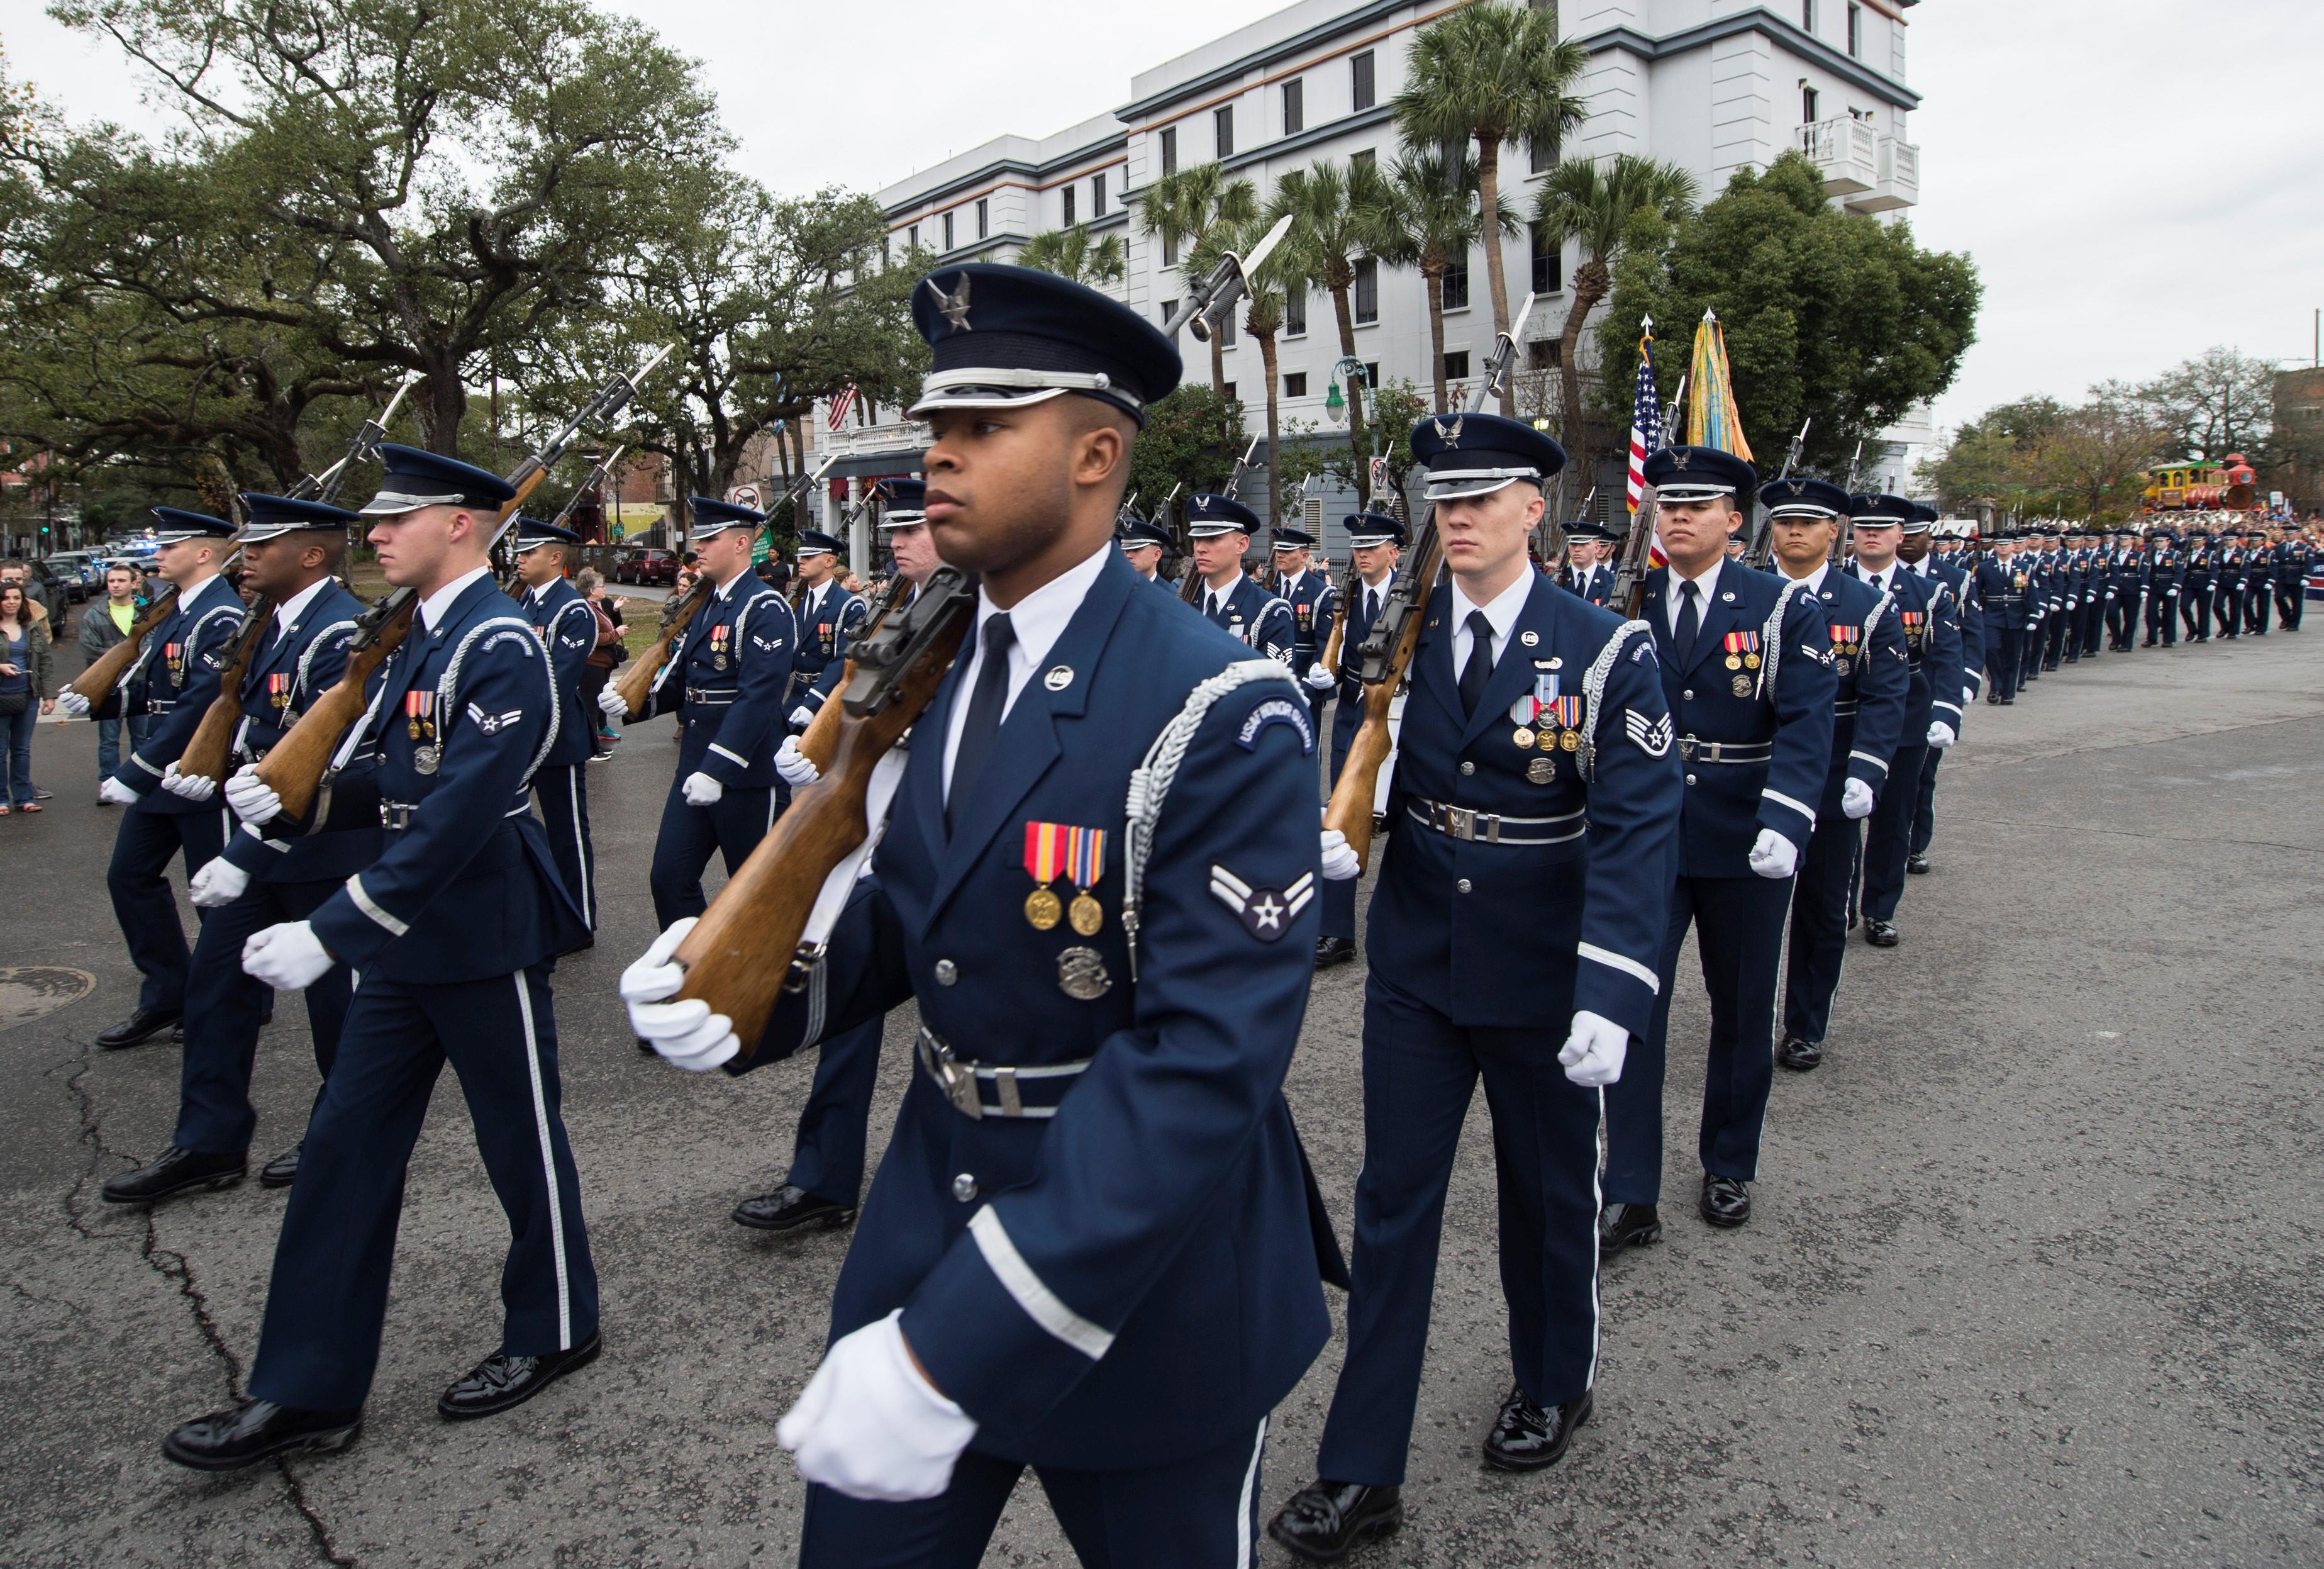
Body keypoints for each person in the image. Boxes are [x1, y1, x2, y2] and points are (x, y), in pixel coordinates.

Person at [623, 261, 1340, 1568]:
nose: (933, 460)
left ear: (1094, 455)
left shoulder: (1219, 706)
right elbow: (919, 920)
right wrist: (758, 990)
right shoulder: (934, 665)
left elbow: (1202, 1065)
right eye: (933, 427)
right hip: (924, 1206)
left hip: (1142, 1275)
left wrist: (948, 1347)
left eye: (980, 430)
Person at [1267, 415, 1681, 1561]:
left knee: (1547, 1192)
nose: (1457, 514)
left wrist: (1614, 984)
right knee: (1392, 1204)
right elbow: (1372, 755)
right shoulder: (1402, 626)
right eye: (1442, 496)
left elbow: (1642, 825)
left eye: (1482, 495)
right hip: (1415, 955)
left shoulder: (1604, 648)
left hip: (1546, 965)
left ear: (1533, 506)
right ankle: (1363, 1464)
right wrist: (1354, 816)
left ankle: (1556, 1376)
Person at [162, 443, 598, 1470]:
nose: (375, 533)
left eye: (397, 518)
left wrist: (334, 928)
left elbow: (458, 810)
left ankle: (558, 1322)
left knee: (519, 1145)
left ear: (460, 523)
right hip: (406, 938)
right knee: (344, 1150)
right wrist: (294, 802)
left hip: (482, 924)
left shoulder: (504, 640)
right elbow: (390, 771)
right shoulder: (415, 637)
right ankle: (306, 1386)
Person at [99, 492, 380, 1202]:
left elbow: (334, 756)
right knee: (215, 991)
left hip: (320, 852)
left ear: (311, 554)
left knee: (336, 1009)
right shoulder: (268, 624)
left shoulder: (340, 631)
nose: (244, 555)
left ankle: (337, 1132)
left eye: (262, 546)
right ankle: (208, 1141)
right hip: (255, 844)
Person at [1599, 445, 1835, 1250]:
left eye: (1695, 507)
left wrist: (1788, 816)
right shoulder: (1623, 598)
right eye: (1666, 506)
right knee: (1633, 1006)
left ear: (1735, 521)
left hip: (1745, 833)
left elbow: (1807, 720)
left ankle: (1729, 1160)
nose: (1676, 519)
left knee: (1739, 1008)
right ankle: (1627, 1186)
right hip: (1649, 833)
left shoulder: (1779, 607)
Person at [736, 477, 943, 1239]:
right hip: (874, 827)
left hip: (952, 833)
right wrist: (810, 736)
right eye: (894, 529)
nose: (899, 540)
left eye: (916, 528)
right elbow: (852, 676)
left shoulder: (987, 609)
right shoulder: (896, 602)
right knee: (847, 997)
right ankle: (823, 1178)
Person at [56, 509, 245, 1049]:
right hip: (164, 772)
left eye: (168, 548)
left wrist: (136, 770)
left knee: (215, 897)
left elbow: (201, 703)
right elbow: (156, 688)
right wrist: (102, 699)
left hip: (199, 772)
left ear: (205, 553)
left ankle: (234, 999)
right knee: (128, 878)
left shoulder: (221, 616)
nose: (156, 558)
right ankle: (168, 992)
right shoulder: (178, 611)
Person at [1757, 479, 1906, 1074]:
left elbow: (1884, 693)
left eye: (1808, 522)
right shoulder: (1748, 593)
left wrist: (1866, 769)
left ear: (1832, 532)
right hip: (1753, 770)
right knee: (1749, 905)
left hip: (1830, 773)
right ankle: (1747, 1012)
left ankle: (1804, 1024)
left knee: (1821, 906)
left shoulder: (1864, 606)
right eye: (1784, 521)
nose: (1794, 532)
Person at [603, 496, 797, 930]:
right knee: (669, 879)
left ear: (743, 543)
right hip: (695, 764)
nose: (699, 549)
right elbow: (685, 678)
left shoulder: (764, 607)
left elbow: (758, 697)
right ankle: (692, 972)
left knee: (754, 893)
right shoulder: (705, 602)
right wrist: (635, 702)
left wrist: (718, 769)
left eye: (711, 538)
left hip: (743, 773)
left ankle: (759, 987)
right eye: (698, 540)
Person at [1843, 495, 1963, 951]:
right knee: (1842, 824)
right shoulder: (1833, 589)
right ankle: (1840, 905)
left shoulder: (1926, 593)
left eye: (1882, 528)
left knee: (1893, 821)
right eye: (1863, 528)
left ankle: (1879, 910)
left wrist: (1947, 709)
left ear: (1900, 536)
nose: (1872, 535)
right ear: (1852, 535)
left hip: (1907, 721)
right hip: (1847, 718)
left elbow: (1947, 656)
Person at [1311, 511, 1402, 970]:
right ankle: (1336, 931)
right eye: (1357, 548)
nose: (1362, 555)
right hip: (1354, 716)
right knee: (1342, 819)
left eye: (1372, 547)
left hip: (1407, 716)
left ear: (1394, 552)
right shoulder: (1342, 596)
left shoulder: (1416, 597)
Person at [511, 518, 600, 940]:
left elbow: (557, 684)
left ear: (555, 557)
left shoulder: (571, 608)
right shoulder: (525, 604)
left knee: (567, 835)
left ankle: (578, 922)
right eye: (519, 552)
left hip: (556, 738)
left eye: (528, 553)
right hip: (520, 738)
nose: (519, 559)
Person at [1898, 509, 1978, 878]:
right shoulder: (1863, 577)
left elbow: (1969, 636)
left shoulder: (1953, 579)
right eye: (1905, 534)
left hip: (1927, 690)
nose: (1909, 542)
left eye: (1916, 535)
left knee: (1921, 775)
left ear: (1927, 536)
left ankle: (1915, 845)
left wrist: (1965, 684)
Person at [1186, 493, 1294, 665]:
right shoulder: (1184, 603)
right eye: (1197, 539)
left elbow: (1271, 687)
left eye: (1213, 539)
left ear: (1242, 544)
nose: (1200, 548)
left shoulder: (1270, 612)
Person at [786, 527, 868, 734]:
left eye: (809, 556)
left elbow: (843, 658)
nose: (800, 561)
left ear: (829, 561)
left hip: (827, 700)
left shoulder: (848, 605)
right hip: (794, 699)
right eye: (800, 556)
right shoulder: (799, 601)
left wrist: (814, 701)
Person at [81, 564, 153, 789]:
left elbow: (156, 641)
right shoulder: (95, 614)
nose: (115, 585)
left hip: (141, 683)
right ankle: (108, 782)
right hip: (107, 685)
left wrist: (137, 659)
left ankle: (138, 782)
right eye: (112, 581)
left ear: (133, 584)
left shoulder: (148, 611)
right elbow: (89, 648)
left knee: (142, 736)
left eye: (121, 581)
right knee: (109, 739)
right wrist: (120, 658)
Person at [1270, 525, 1337, 735]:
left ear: (1304, 555)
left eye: (1288, 551)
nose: (1280, 555)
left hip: (1304, 683)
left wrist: (1307, 689)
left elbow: (1325, 646)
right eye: (1278, 550)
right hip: (1269, 685)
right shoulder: (1267, 588)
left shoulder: (1321, 593)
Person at [0, 581, 54, 813]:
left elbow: (44, 662)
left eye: (16, 598)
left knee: (22, 749)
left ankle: (24, 797)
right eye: (6, 598)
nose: (11, 602)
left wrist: (49, 696)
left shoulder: (31, 627)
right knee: (0, 751)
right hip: (2, 697)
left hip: (27, 696)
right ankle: (2, 799)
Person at [572, 567, 624, 754]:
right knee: (591, 705)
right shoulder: (587, 610)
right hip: (592, 664)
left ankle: (592, 742)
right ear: (592, 590)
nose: (605, 590)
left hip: (601, 664)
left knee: (595, 704)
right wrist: (615, 635)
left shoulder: (597, 607)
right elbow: (593, 639)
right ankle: (589, 746)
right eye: (602, 586)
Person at [1115, 514, 1175, 588]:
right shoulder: (1115, 589)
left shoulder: (1170, 596)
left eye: (1136, 550)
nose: (1128, 555)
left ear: (1156, 555)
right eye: (1126, 550)